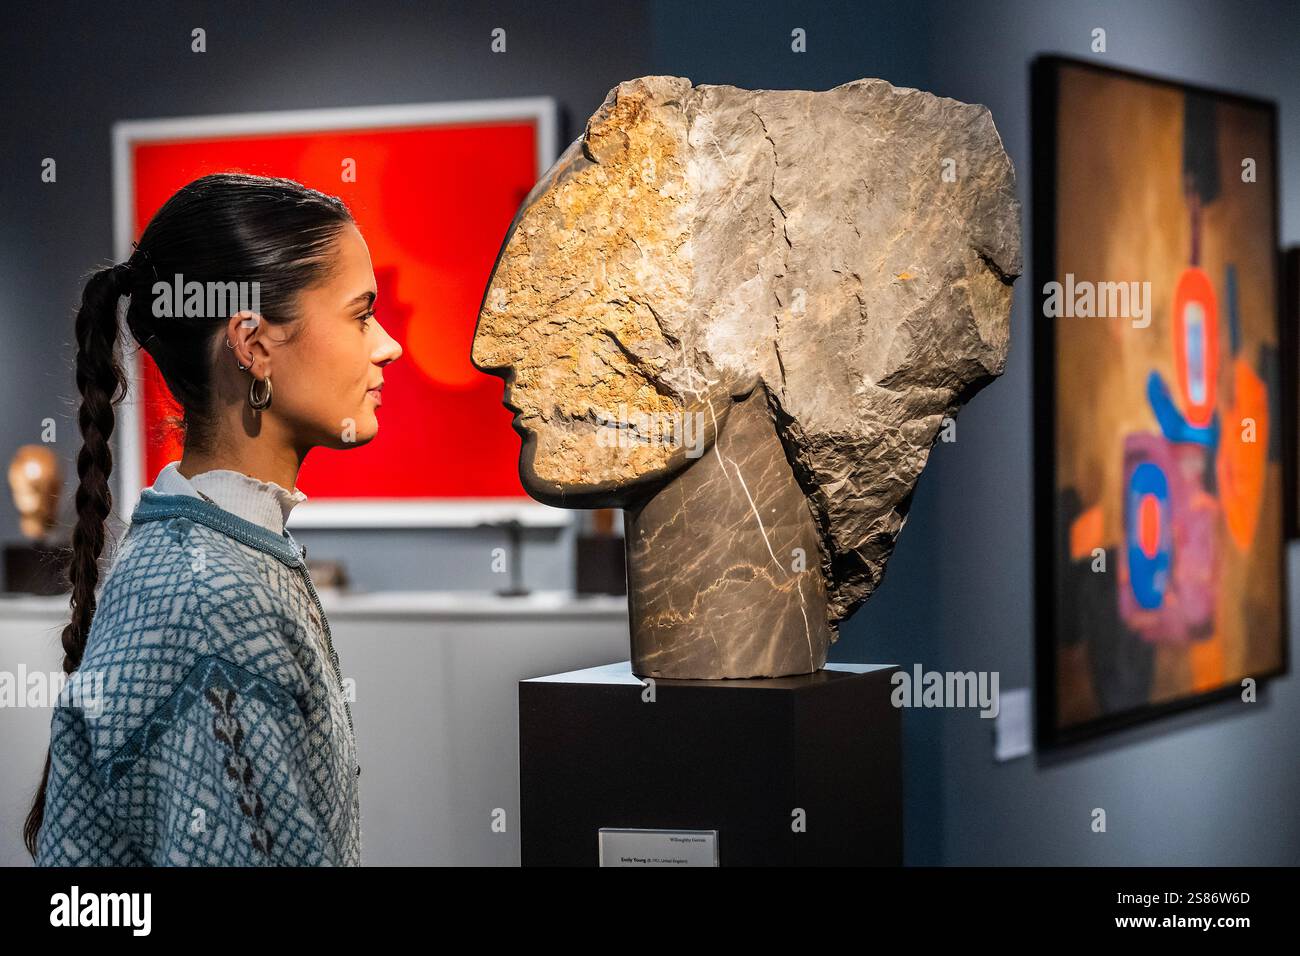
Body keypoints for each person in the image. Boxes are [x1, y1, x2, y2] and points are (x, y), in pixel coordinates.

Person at [26, 172, 402, 865]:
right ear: (253, 345)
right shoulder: (213, 601)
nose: (387, 346)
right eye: (360, 314)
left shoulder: (220, 556)